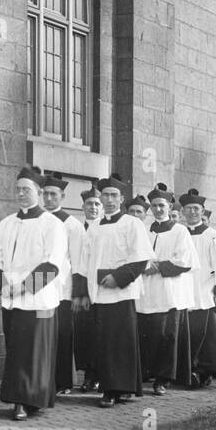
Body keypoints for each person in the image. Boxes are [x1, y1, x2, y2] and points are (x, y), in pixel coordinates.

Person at [0, 166, 69, 421]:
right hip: (11, 298)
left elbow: (52, 263)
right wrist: (4, 284)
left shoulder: (53, 224)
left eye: (27, 189)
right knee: (16, 350)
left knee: (36, 350)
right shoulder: (6, 223)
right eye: (18, 189)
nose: (21, 193)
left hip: (39, 298)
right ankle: (18, 399)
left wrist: (22, 287)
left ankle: (31, 400)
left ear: (38, 191)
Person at [74, 173, 152, 407]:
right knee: (103, 343)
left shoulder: (132, 224)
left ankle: (123, 388)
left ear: (121, 198)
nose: (108, 200)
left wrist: (117, 278)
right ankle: (109, 389)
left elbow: (141, 259)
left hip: (121, 291)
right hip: (98, 293)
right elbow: (83, 261)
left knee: (122, 341)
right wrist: (83, 293)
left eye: (113, 195)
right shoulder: (94, 227)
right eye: (105, 195)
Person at [137, 183, 197, 396]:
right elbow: (137, 255)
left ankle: (163, 379)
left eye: (161, 205)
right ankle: (147, 373)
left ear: (169, 205)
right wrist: (145, 265)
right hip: (147, 292)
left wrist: (158, 267)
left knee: (166, 336)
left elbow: (185, 260)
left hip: (169, 291)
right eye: (154, 206)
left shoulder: (179, 231)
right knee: (147, 334)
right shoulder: (144, 230)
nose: (158, 210)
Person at [179, 189, 216, 384]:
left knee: (205, 334)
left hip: (205, 291)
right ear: (182, 211)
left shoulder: (213, 236)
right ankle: (185, 371)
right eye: (188, 209)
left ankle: (203, 372)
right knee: (184, 333)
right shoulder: (178, 233)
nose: (192, 213)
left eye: (196, 209)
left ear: (203, 211)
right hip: (182, 291)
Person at [40, 171, 83, 396]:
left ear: (62, 196)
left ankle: (64, 381)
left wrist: (77, 292)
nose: (48, 199)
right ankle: (46, 378)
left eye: (53, 194)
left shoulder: (72, 225)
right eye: (45, 194)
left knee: (63, 334)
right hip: (39, 289)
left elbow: (77, 261)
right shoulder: (37, 220)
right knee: (44, 334)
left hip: (63, 289)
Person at [75, 188, 103, 392]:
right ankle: (87, 376)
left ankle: (98, 375)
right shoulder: (77, 229)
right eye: (89, 204)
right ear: (83, 207)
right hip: (82, 290)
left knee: (100, 335)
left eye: (96, 204)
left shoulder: (105, 228)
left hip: (102, 290)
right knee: (84, 335)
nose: (93, 208)